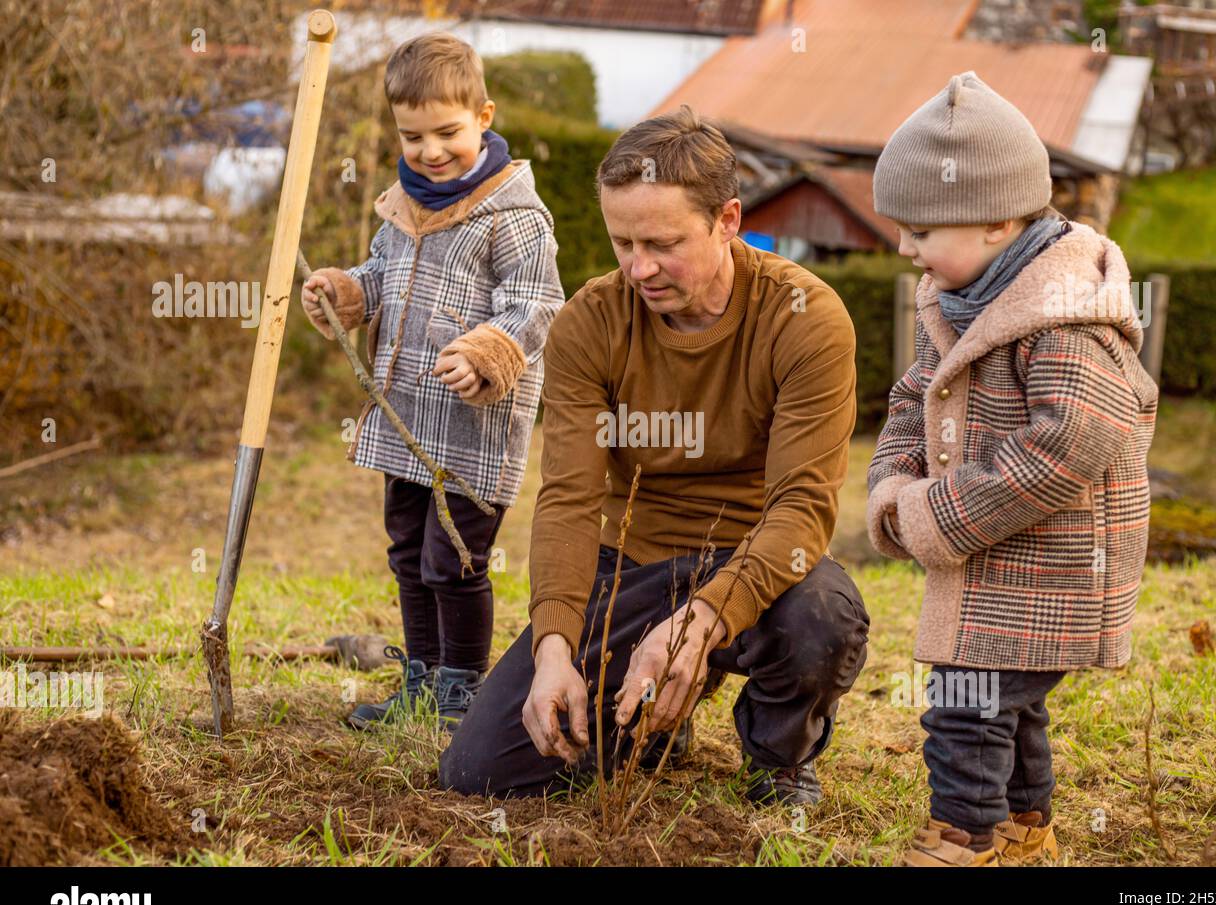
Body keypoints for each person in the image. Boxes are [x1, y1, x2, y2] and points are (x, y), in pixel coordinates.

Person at [438, 105, 870, 806]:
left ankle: (777, 756)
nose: (640, 267)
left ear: (727, 219)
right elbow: (571, 501)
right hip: (633, 565)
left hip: (757, 565)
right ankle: (655, 722)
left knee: (821, 616)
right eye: (622, 242)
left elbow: (802, 506)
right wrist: (553, 647)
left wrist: (698, 624)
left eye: (664, 243)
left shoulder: (805, 317)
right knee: (481, 771)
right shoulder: (591, 322)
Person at [866, 72, 1159, 865]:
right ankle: (1027, 831)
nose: (905, 248)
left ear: (997, 219)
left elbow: (1075, 440)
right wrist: (894, 479)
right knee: (1007, 707)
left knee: (967, 704)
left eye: (921, 230)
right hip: (998, 565)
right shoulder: (957, 297)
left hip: (1054, 568)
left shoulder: (1063, 318)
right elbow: (914, 396)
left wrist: (939, 512)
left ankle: (965, 838)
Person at [300, 33, 564, 730]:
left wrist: (487, 352)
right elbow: (383, 279)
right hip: (406, 421)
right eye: (412, 136)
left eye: (447, 131)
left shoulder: (513, 215)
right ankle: (419, 679)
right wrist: (346, 293)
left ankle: (460, 692)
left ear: (484, 116)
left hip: (472, 432)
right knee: (409, 555)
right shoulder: (402, 207)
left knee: (454, 562)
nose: (430, 151)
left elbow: (537, 306)